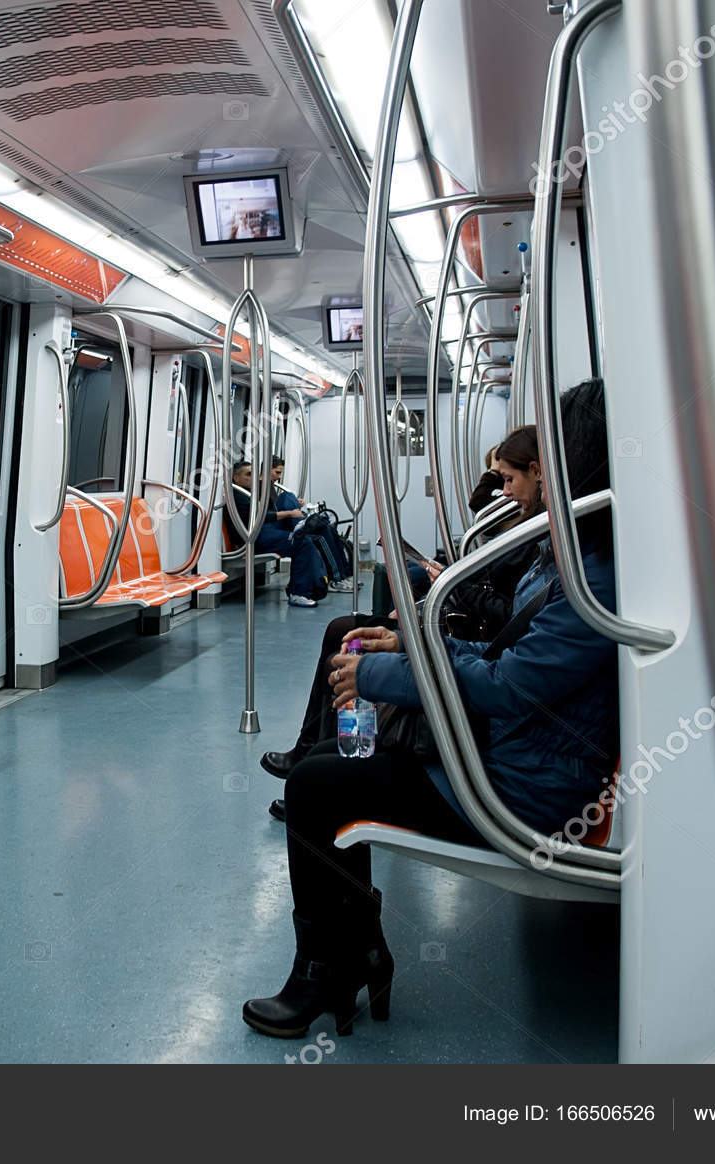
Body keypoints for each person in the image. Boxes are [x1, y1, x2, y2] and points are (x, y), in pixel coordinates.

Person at [241, 380, 618, 1039]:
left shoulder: (592, 580)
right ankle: (356, 952)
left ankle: (326, 969)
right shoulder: (573, 559)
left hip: (524, 787)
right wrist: (414, 647)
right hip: (507, 746)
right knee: (332, 762)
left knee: (317, 786)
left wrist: (386, 672)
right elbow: (503, 652)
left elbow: (505, 684)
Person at [259, 425, 547, 796]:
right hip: (469, 620)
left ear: (537, 472)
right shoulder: (525, 523)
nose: (502, 490)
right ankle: (309, 747)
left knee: (347, 635)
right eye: (498, 477)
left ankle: (321, 761)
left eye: (508, 478)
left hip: (471, 630)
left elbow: (503, 616)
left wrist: (456, 588)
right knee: (341, 630)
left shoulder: (536, 536)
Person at [227, 461, 329, 607]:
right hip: (252, 538)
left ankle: (299, 528)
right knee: (303, 542)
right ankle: (299, 593)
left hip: (261, 532)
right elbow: (259, 517)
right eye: (248, 474)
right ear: (236, 478)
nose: (253, 478)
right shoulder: (237, 496)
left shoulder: (249, 493)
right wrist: (289, 513)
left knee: (288, 499)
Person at [268, 456, 352, 593]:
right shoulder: (259, 488)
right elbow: (269, 514)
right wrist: (291, 510)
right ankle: (336, 579)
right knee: (288, 497)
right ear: (266, 470)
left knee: (329, 529)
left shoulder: (271, 488)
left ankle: (343, 576)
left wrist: (295, 505)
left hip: (281, 523)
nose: (279, 477)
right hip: (272, 528)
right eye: (277, 473)